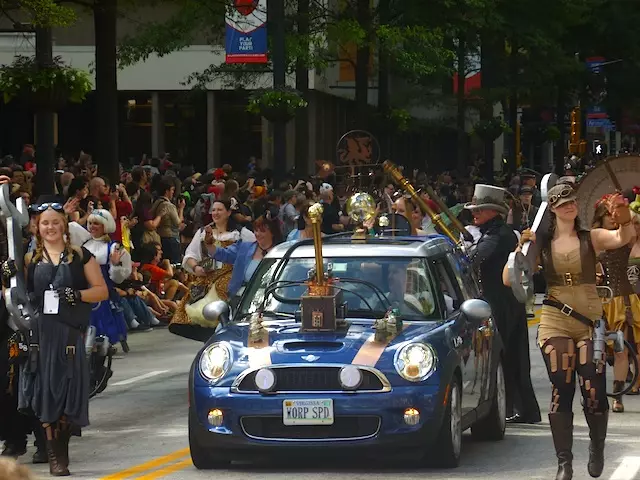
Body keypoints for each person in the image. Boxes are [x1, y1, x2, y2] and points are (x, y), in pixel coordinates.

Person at [503, 184, 634, 480]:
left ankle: (596, 447)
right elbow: (509, 279)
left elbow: (622, 238)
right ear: (552, 208)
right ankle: (564, 462)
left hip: (589, 318)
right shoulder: (542, 243)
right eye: (562, 203)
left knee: (593, 387)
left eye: (572, 201)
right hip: (555, 318)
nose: (568, 206)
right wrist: (520, 250)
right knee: (561, 386)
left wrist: (624, 219)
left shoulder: (592, 237)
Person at [13, 198, 108, 476]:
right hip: (41, 334)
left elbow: (101, 290)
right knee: (44, 394)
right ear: (37, 227)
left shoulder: (80, 255)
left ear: (64, 225)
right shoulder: (30, 259)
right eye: (45, 223)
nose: (50, 227)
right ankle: (55, 458)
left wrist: (76, 295)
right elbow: (19, 296)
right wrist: (8, 276)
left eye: (55, 222)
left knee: (68, 395)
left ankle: (62, 450)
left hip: (69, 334)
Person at [464, 184, 541, 425]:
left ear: (493, 212)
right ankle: (517, 408)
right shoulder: (493, 233)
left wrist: (465, 248)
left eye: (480, 209)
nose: (475, 214)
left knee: (506, 357)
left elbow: (472, 259)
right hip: (502, 303)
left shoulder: (498, 234)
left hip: (501, 305)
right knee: (510, 356)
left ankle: (512, 408)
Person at [170, 200, 255, 341]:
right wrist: (196, 267)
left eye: (219, 210)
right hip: (206, 279)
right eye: (213, 210)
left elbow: (253, 251)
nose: (215, 213)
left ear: (228, 212)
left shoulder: (241, 234)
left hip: (229, 280)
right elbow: (190, 255)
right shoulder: (203, 232)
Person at [592, 195, 640, 411]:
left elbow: (633, 225)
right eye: (607, 215)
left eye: (613, 215)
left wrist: (622, 211)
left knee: (624, 350)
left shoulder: (627, 237)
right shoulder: (592, 243)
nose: (611, 219)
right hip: (602, 303)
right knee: (601, 354)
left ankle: (617, 396)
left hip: (627, 301)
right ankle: (600, 392)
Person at [83, 209, 132, 344]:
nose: (92, 226)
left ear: (105, 226)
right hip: (85, 290)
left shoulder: (113, 247)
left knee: (102, 313)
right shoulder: (83, 244)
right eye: (90, 223)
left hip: (104, 291)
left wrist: (115, 265)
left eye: (96, 223)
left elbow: (118, 278)